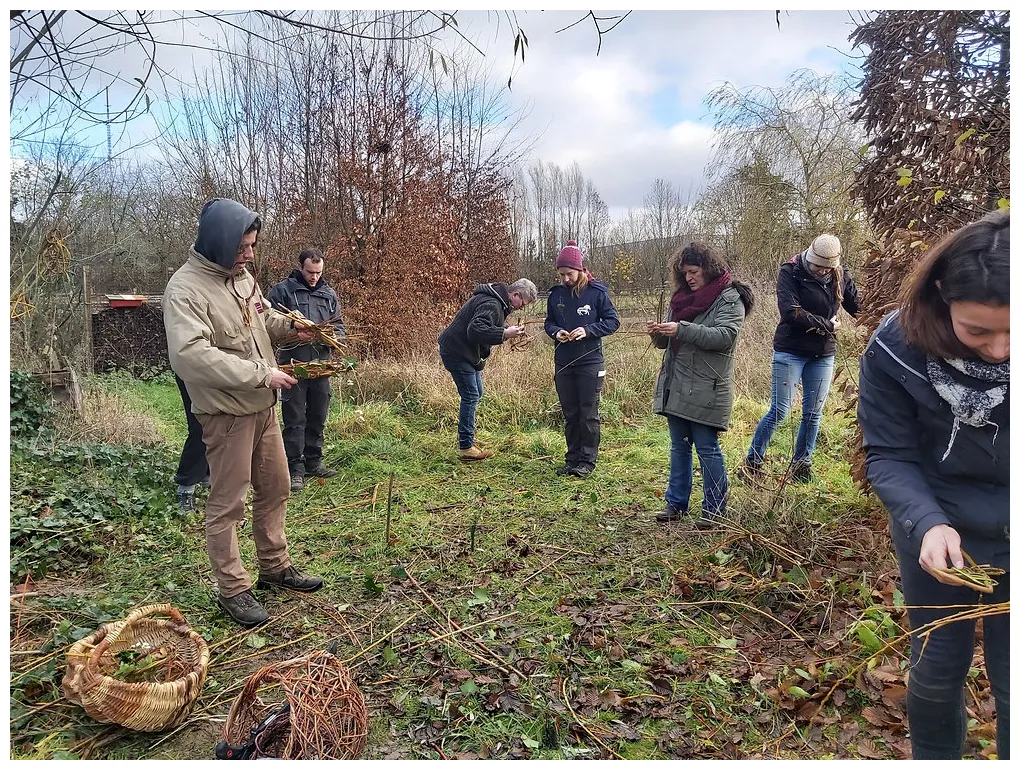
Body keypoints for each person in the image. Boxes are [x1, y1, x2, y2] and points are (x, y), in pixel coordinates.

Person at [857, 209, 1009, 761]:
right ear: (942, 294)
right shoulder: (897, 348)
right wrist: (926, 521)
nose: (1000, 350)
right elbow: (889, 453)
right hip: (939, 536)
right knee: (935, 672)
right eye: (978, 331)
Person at [164, 197, 323, 628]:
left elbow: (262, 317)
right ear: (219, 242)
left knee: (276, 487)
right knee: (227, 503)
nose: (250, 254)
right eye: (244, 246)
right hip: (227, 414)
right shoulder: (186, 289)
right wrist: (261, 374)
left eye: (252, 246)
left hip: (263, 408)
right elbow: (190, 355)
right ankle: (232, 588)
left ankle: (275, 567)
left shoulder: (241, 278)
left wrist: (293, 326)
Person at [647, 242, 754, 529]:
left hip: (708, 385)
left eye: (693, 272)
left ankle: (715, 510)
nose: (689, 278)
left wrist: (682, 329)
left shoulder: (730, 298)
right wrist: (659, 333)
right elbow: (670, 342)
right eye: (684, 273)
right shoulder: (681, 299)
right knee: (679, 446)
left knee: (707, 447)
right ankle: (675, 503)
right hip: (677, 382)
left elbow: (725, 336)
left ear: (708, 268)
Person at [738, 233, 860, 483]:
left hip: (822, 354)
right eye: (817, 266)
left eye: (826, 268)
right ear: (810, 257)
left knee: (813, 414)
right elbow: (791, 312)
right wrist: (828, 325)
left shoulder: (839, 274)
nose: (820, 272)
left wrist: (885, 317)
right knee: (780, 411)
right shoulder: (791, 271)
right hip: (790, 351)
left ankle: (801, 465)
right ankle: (752, 463)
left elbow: (856, 305)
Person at [267, 247, 344, 493]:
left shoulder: (328, 294)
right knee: (295, 417)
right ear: (301, 266)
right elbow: (268, 326)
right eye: (310, 272)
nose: (314, 277)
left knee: (318, 415)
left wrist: (334, 337)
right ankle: (295, 468)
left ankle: (313, 461)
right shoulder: (282, 292)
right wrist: (294, 331)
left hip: (321, 367)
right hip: (293, 367)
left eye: (318, 272)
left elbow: (339, 325)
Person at [438, 278, 537, 461]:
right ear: (515, 295)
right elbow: (475, 330)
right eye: (523, 302)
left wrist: (505, 328)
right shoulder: (492, 303)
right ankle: (466, 447)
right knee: (471, 395)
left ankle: (468, 438)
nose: (522, 307)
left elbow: (485, 324)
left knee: (477, 392)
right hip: (456, 351)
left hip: (464, 352)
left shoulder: (496, 301)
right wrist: (504, 333)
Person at [544, 239, 620, 478]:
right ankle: (572, 458)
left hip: (590, 361)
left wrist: (588, 330)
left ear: (579, 269)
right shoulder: (555, 295)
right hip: (564, 361)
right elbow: (549, 322)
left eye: (569, 273)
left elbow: (612, 322)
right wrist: (556, 332)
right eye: (561, 274)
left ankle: (587, 461)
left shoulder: (597, 294)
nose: (565, 279)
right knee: (571, 413)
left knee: (588, 413)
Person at [173, 373, 210, 511]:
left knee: (220, 425)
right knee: (199, 428)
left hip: (220, 371)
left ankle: (208, 475)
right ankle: (186, 487)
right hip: (193, 370)